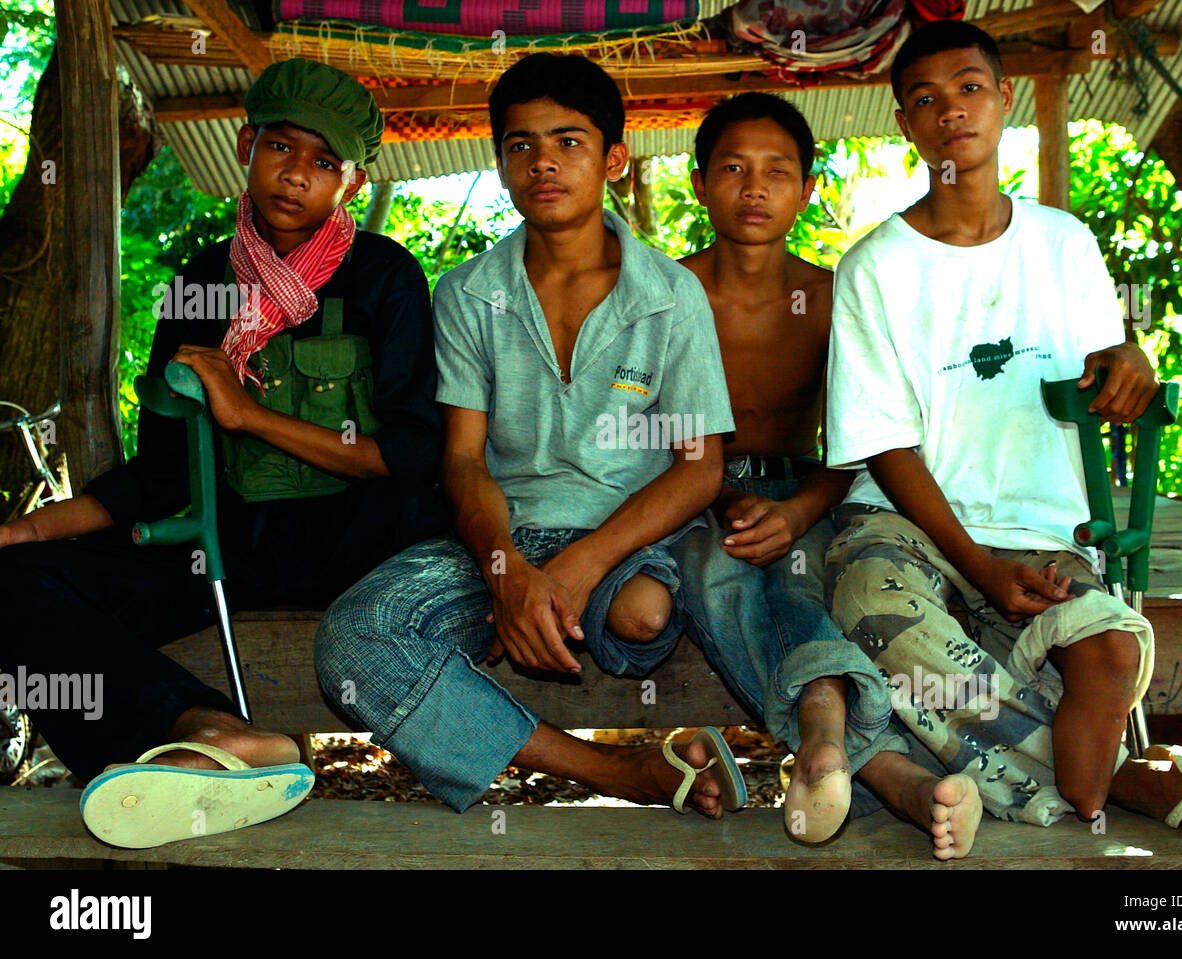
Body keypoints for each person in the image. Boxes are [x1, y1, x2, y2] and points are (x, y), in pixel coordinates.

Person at [0, 58, 449, 848]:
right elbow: (164, 471)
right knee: (13, 581)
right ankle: (208, 731)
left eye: (323, 163)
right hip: (234, 546)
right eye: (281, 148)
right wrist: (27, 532)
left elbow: (408, 454)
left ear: (349, 182)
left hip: (365, 542)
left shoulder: (385, 276)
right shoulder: (201, 284)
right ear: (245, 145)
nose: (297, 176)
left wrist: (246, 414)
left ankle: (187, 750)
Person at [824, 20, 1182, 839]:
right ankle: (1110, 777)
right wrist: (977, 566)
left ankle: (1050, 778)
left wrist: (1134, 360)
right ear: (905, 123)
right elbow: (883, 443)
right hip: (907, 526)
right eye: (926, 99)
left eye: (970, 88)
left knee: (1111, 650)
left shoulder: (1064, 244)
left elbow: (1111, 366)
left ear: (1005, 98)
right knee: (872, 601)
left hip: (1042, 528)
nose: (952, 111)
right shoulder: (874, 266)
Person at [315, 53, 749, 819]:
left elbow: (698, 468)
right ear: (501, 162)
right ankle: (616, 770)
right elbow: (461, 459)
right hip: (502, 532)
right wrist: (504, 570)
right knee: (351, 641)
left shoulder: (671, 294)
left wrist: (579, 565)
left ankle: (574, 609)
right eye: (520, 146)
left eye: (569, 141)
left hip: (623, 534)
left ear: (615, 159)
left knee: (641, 612)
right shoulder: (468, 293)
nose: (542, 161)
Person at [669, 92, 981, 857]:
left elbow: (865, 434)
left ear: (806, 188)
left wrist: (802, 509)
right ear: (699, 181)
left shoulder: (833, 296)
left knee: (804, 579)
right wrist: (725, 494)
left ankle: (832, 745)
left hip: (812, 488)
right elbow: (650, 429)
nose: (753, 188)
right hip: (692, 491)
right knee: (715, 573)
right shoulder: (668, 293)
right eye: (733, 168)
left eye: (778, 171)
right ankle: (858, 751)